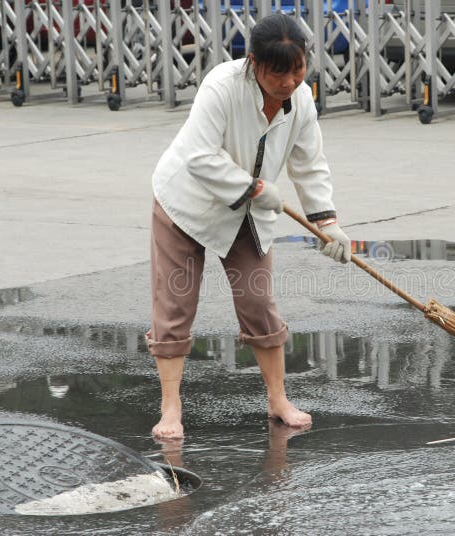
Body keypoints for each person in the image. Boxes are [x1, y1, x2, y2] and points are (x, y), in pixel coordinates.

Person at [146, 14, 352, 439]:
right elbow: (200, 156)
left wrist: (328, 223)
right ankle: (170, 407)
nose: (289, 82)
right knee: (176, 303)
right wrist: (254, 187)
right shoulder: (221, 86)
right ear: (253, 63)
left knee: (258, 302)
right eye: (278, 73)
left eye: (298, 70)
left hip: (249, 212)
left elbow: (310, 164)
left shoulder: (302, 100)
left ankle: (278, 399)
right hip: (187, 203)